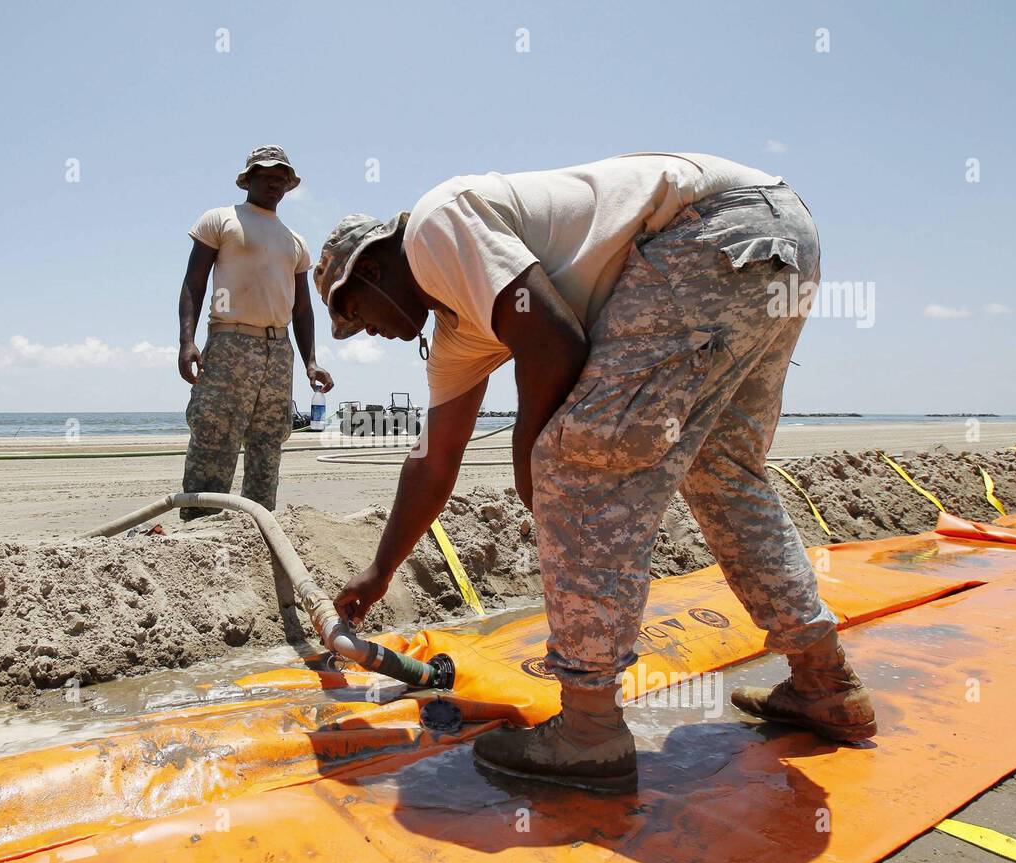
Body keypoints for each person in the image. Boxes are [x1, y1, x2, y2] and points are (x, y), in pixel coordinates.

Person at [313, 152, 876, 793]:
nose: (364, 331)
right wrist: (382, 568)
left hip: (709, 235)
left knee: (572, 457)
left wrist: (536, 464)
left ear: (377, 265)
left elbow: (553, 340)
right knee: (723, 472)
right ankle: (824, 683)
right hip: (777, 238)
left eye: (354, 309)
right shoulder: (457, 326)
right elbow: (435, 458)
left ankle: (588, 731)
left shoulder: (433, 230)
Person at [178, 145, 333, 520]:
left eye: (282, 178)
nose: (275, 183)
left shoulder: (294, 241)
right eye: (267, 175)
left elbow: (302, 308)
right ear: (249, 178)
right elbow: (193, 284)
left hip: (278, 350)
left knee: (268, 439)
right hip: (230, 340)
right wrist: (187, 341)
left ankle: (258, 523)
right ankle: (199, 523)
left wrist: (311, 361)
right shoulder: (220, 220)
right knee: (216, 433)